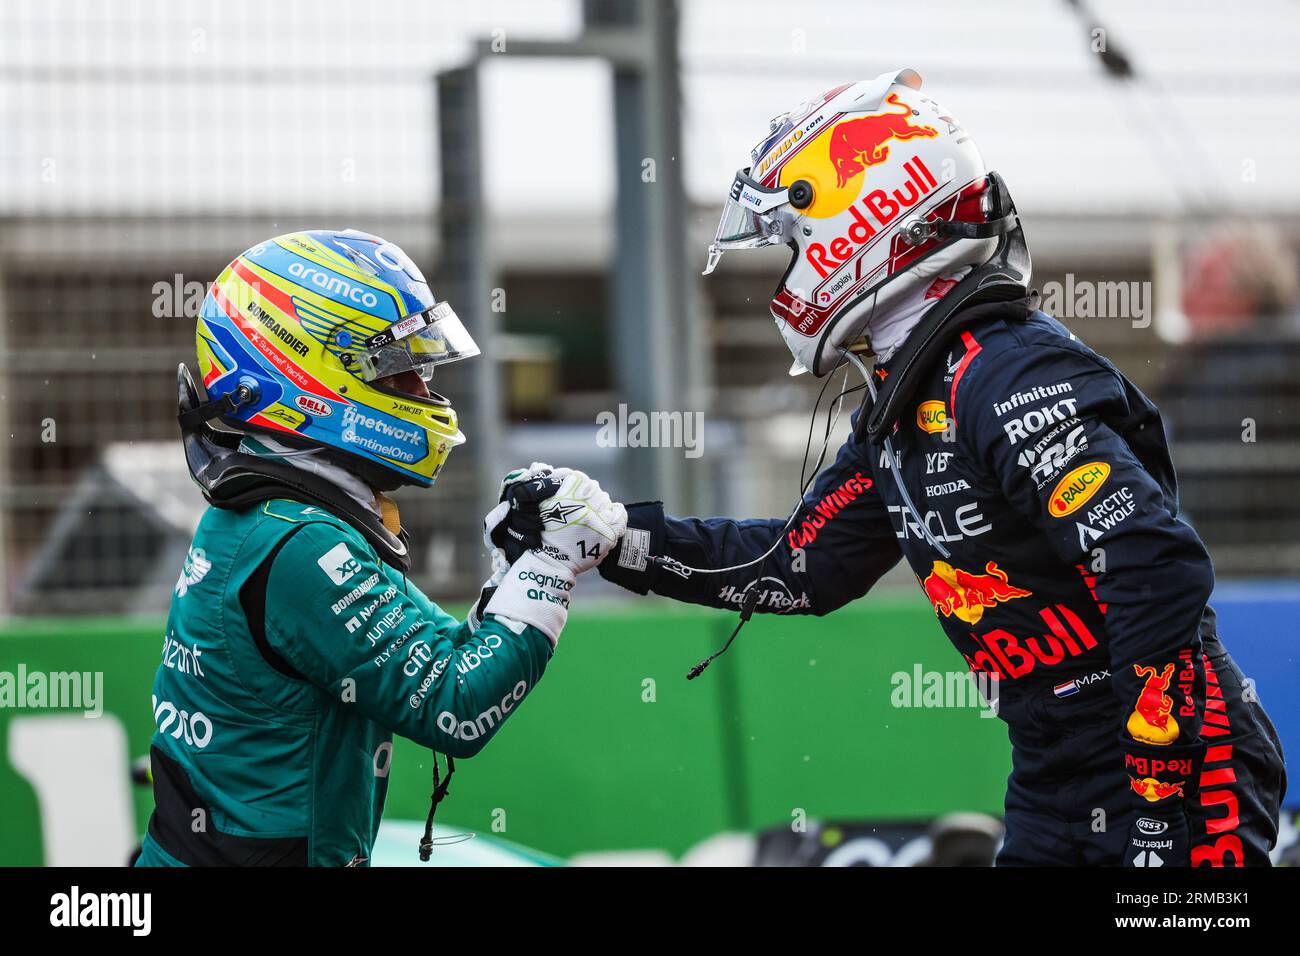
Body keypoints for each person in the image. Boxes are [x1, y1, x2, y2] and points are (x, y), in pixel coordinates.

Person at [500, 71, 1287, 866]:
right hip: (1057, 771)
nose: (784, 270)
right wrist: (613, 536)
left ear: (865, 220)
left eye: (791, 241)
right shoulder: (905, 405)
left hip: (1180, 772)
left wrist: (1157, 796)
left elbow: (1156, 567)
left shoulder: (1003, 374)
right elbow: (803, 565)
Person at [138, 229, 624, 866]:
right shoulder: (300, 544)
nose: (426, 394)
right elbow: (456, 705)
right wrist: (552, 567)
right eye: (398, 373)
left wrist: (513, 574)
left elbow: (436, 658)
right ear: (303, 373)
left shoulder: (275, 513)